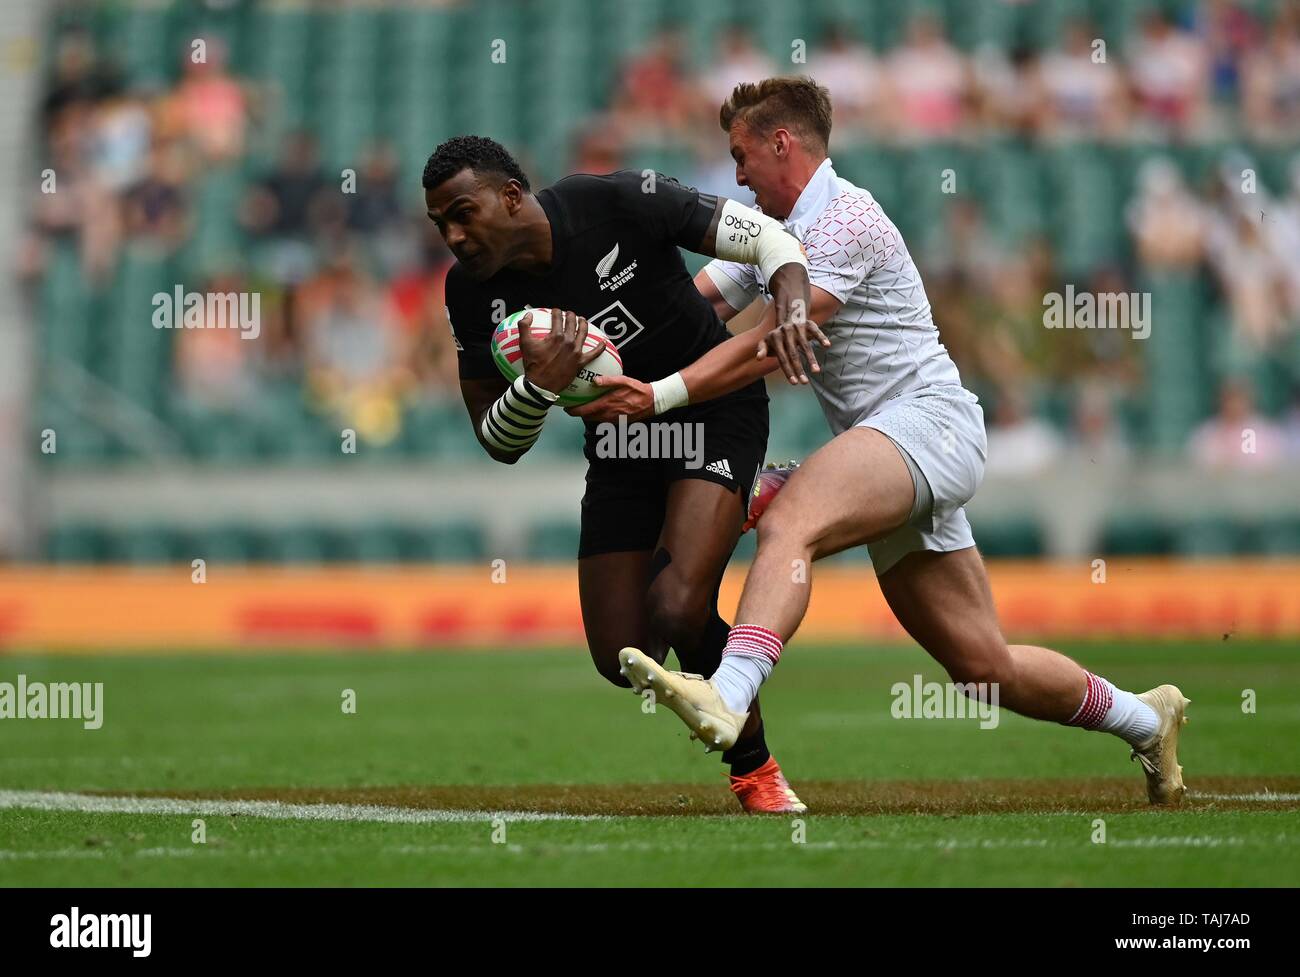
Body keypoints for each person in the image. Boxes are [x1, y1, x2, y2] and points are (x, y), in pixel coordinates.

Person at [574, 78, 1190, 807]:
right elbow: (693, 306)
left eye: (741, 156)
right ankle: (1147, 718)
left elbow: (776, 342)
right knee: (982, 666)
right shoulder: (768, 232)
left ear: (783, 144)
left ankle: (729, 692)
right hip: (892, 450)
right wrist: (589, 341)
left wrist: (658, 395)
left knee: (787, 517)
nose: (735, 175)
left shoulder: (845, 217)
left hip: (929, 423)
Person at [424, 136, 813, 812]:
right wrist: (537, 388)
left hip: (711, 416)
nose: (454, 236)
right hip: (624, 448)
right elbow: (497, 440)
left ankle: (755, 772)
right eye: (441, 224)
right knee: (625, 655)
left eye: (464, 213)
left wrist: (796, 306)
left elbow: (770, 241)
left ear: (512, 196)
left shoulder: (618, 202)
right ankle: (734, 501)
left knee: (679, 604)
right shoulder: (469, 293)